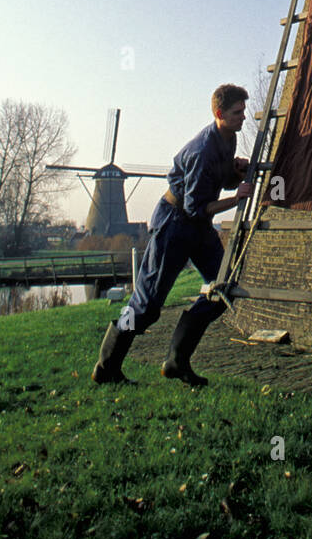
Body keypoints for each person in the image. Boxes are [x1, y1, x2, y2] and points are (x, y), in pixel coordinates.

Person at [91, 84, 252, 388]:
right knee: (147, 307)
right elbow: (197, 207)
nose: (243, 117)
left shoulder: (228, 138)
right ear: (219, 114)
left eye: (243, 111)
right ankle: (106, 367)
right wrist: (237, 198)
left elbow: (220, 180)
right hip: (175, 224)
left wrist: (236, 173)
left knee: (224, 286)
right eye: (237, 112)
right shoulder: (201, 151)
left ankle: (176, 361)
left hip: (197, 226)